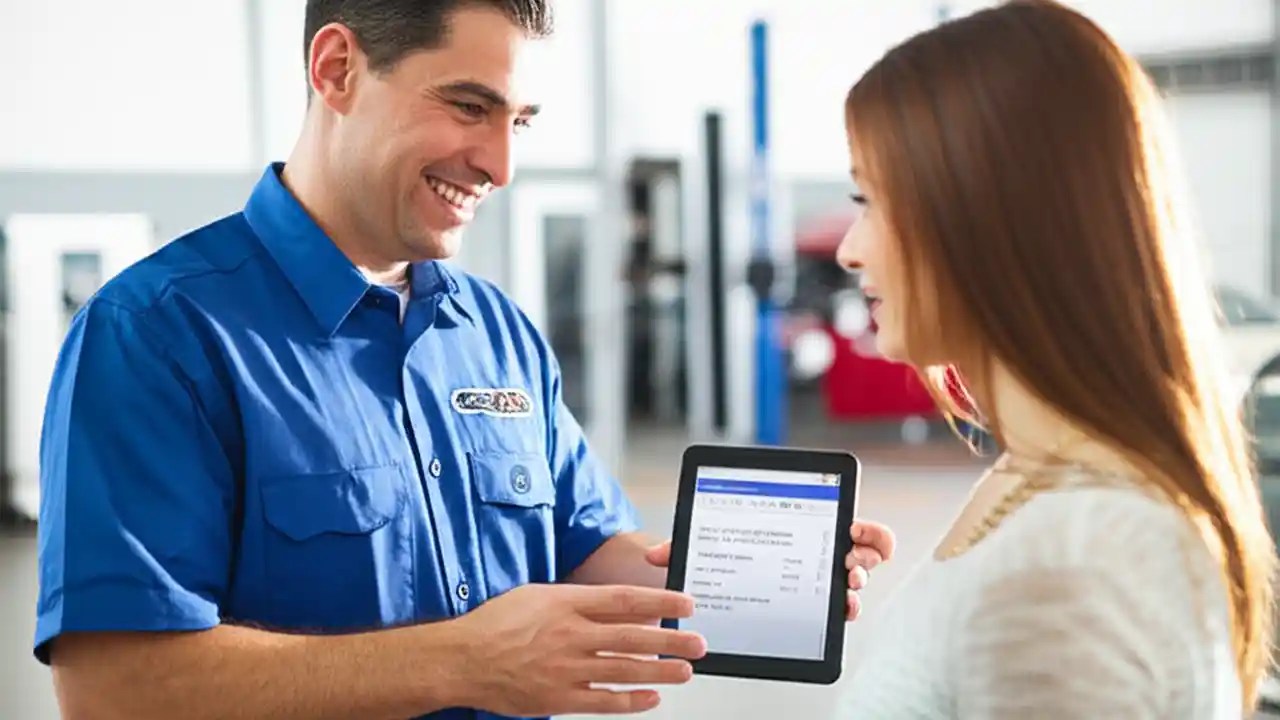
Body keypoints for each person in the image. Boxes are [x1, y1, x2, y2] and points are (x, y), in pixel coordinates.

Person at [33, 2, 895, 719]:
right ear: (335, 69)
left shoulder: (495, 330)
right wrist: (457, 663)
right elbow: (112, 685)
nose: (502, 164)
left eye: (518, 120)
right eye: (469, 106)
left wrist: (753, 575)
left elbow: (587, 549)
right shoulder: (158, 335)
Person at [833, 1, 1276, 717]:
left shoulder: (1075, 562)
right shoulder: (1038, 478)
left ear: (989, 219)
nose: (849, 246)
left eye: (872, 199)